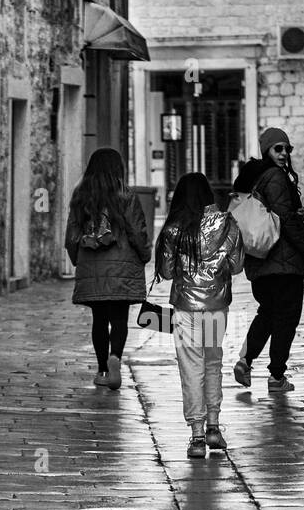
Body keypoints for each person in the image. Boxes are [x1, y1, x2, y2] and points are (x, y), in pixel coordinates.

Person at [156, 172, 244, 458]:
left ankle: (196, 435)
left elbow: (168, 272)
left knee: (191, 367)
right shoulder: (227, 222)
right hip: (217, 305)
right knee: (213, 363)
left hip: (185, 308)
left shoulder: (174, 229)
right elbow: (238, 264)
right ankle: (214, 427)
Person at [231, 127, 304, 393]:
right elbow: (285, 220)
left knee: (268, 313)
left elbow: (275, 212)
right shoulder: (277, 177)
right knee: (286, 319)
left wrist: (295, 211)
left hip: (260, 265)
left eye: (287, 149)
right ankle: (277, 377)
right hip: (283, 265)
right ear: (266, 149)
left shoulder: (255, 177)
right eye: (278, 148)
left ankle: (245, 361)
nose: (283, 154)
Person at [65, 147, 151, 389]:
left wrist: (78, 260)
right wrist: (145, 255)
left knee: (99, 320)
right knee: (120, 318)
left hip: (92, 268)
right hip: (122, 269)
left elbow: (71, 236)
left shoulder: (80, 196)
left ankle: (102, 370)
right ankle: (116, 358)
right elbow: (137, 230)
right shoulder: (126, 195)